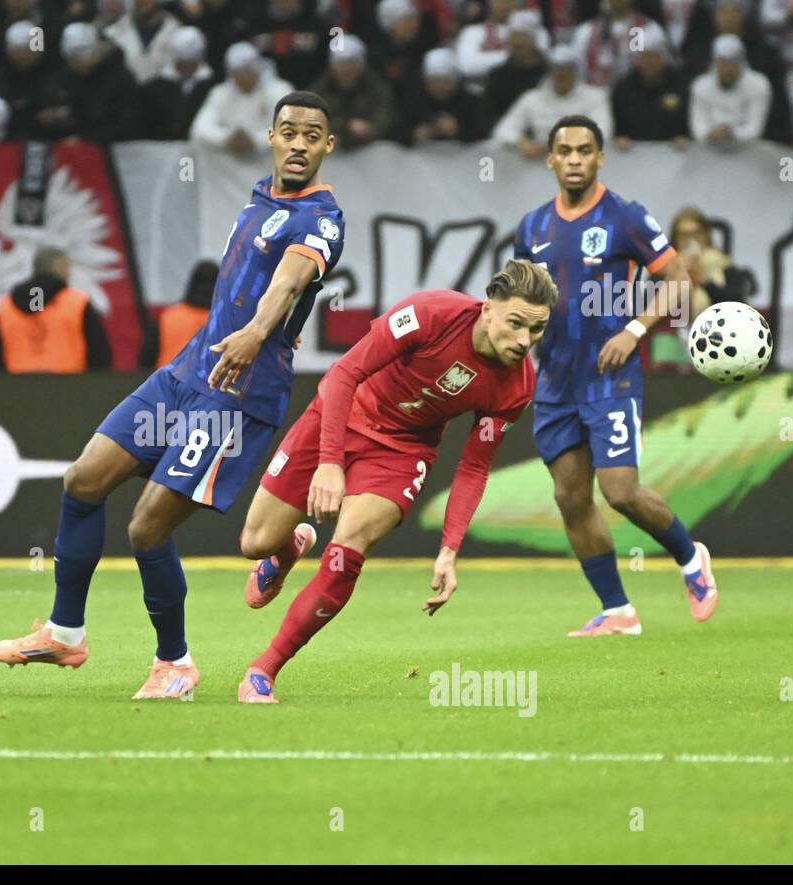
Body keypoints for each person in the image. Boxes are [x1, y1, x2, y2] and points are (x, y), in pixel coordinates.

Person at [0, 92, 343, 701]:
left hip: (238, 389)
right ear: (272, 137)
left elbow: (289, 283)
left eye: (313, 135)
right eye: (289, 132)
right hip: (185, 373)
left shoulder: (321, 219)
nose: (300, 144)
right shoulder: (260, 198)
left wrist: (257, 334)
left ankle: (175, 663)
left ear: (328, 145)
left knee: (146, 528)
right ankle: (65, 631)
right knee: (83, 479)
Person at [235, 261, 555, 703]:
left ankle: (264, 669)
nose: (524, 341)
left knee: (348, 550)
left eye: (536, 331)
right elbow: (344, 374)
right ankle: (286, 548)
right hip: (341, 413)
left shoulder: (517, 386)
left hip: (402, 451)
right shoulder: (431, 314)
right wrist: (330, 463)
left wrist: (450, 548)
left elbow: (474, 467)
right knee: (254, 542)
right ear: (487, 310)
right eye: (516, 324)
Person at [513, 115, 717, 638]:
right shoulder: (531, 227)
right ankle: (618, 611)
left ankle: (691, 559)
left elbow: (677, 282)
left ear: (601, 157)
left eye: (586, 150)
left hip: (611, 376)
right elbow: (520, 301)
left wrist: (633, 330)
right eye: (566, 150)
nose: (575, 159)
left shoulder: (624, 216)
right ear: (551, 158)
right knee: (569, 497)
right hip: (555, 381)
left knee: (620, 491)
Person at [0, 247, 113, 372]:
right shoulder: (77, 303)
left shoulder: (5, 307)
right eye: (67, 267)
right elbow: (99, 352)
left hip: (17, 387)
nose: (69, 273)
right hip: (70, 387)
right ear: (58, 267)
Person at [493, 45, 613, 159]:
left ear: (576, 71)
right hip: (540, 163)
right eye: (557, 68)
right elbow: (502, 130)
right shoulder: (531, 98)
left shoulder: (595, 96)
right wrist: (522, 142)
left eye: (567, 68)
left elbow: (603, 132)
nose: (562, 73)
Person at [189, 40, 294, 155]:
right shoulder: (220, 93)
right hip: (228, 165)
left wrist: (256, 140)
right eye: (238, 72)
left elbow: (291, 127)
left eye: (248, 70)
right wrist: (226, 138)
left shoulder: (280, 90)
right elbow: (200, 129)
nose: (244, 76)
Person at [611, 25, 691, 148]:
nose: (650, 62)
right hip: (632, 156)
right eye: (645, 56)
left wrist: (685, 137)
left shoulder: (680, 86)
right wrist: (618, 138)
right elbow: (617, 126)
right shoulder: (623, 88)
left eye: (655, 56)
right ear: (637, 60)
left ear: (665, 59)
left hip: (673, 155)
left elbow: (688, 124)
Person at [308, 34, 394, 148]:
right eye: (341, 64)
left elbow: (385, 114)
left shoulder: (377, 88)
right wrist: (341, 128)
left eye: (351, 63)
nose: (346, 70)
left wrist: (372, 128)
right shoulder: (318, 92)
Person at [688, 33, 773, 143]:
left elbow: (755, 129)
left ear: (741, 63)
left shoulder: (759, 84)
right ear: (715, 64)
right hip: (710, 150)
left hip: (748, 151)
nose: (728, 69)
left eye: (733, 64)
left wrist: (732, 133)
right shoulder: (700, 86)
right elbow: (698, 129)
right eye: (723, 63)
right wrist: (711, 134)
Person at [144, 260, 217, 368]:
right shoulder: (228, 319)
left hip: (169, 382)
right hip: (212, 383)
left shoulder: (167, 317)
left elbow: (146, 358)